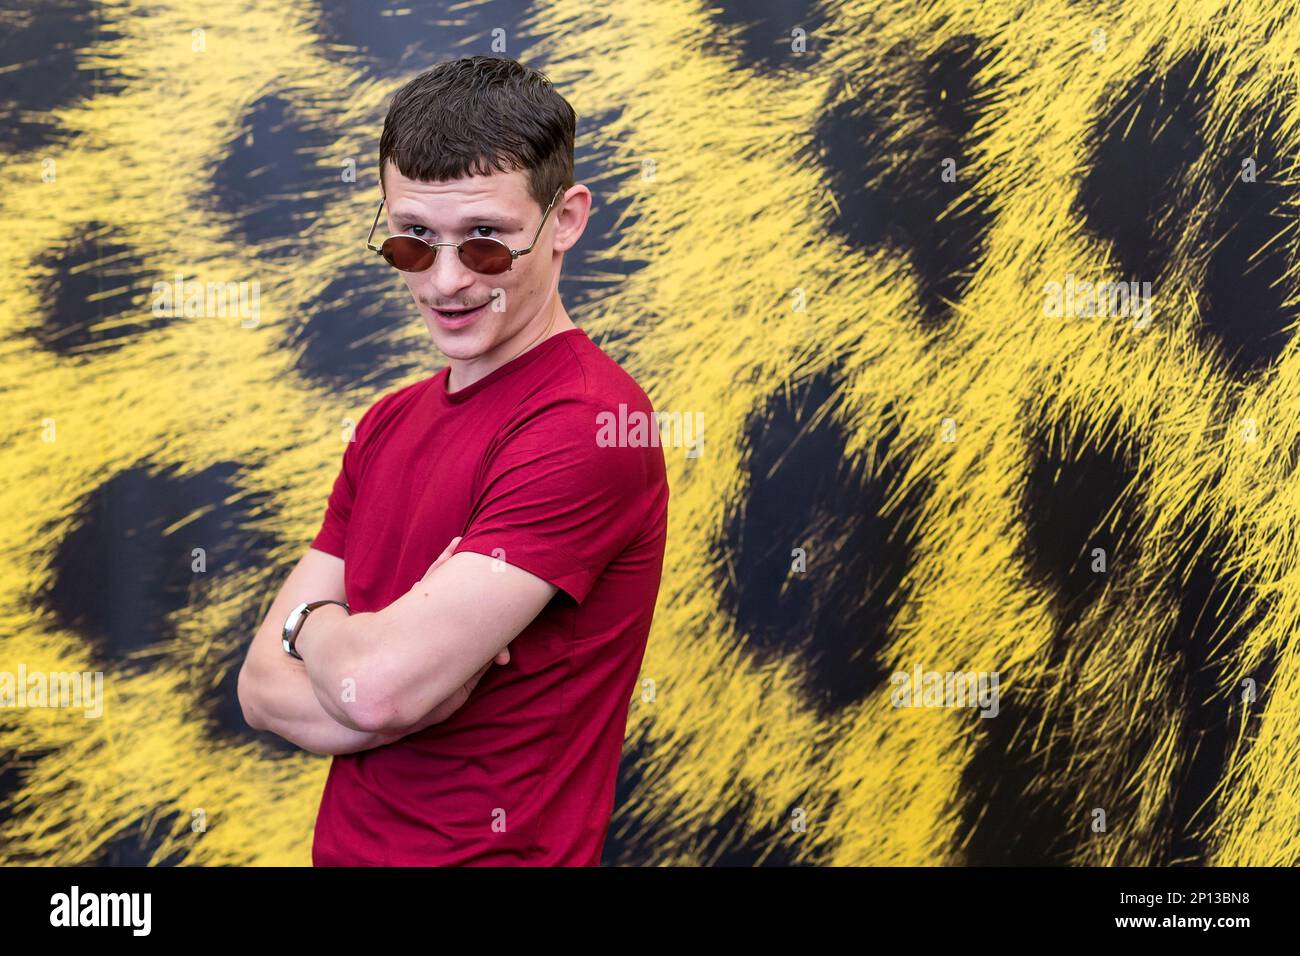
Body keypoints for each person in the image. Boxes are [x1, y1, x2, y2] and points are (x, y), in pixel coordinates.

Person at [236, 55, 670, 866]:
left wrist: (319, 636)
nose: (444, 281)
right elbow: (261, 690)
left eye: (486, 242)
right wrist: (372, 678)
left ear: (566, 219)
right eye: (413, 240)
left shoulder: (593, 423)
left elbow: (377, 689)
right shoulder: (387, 423)